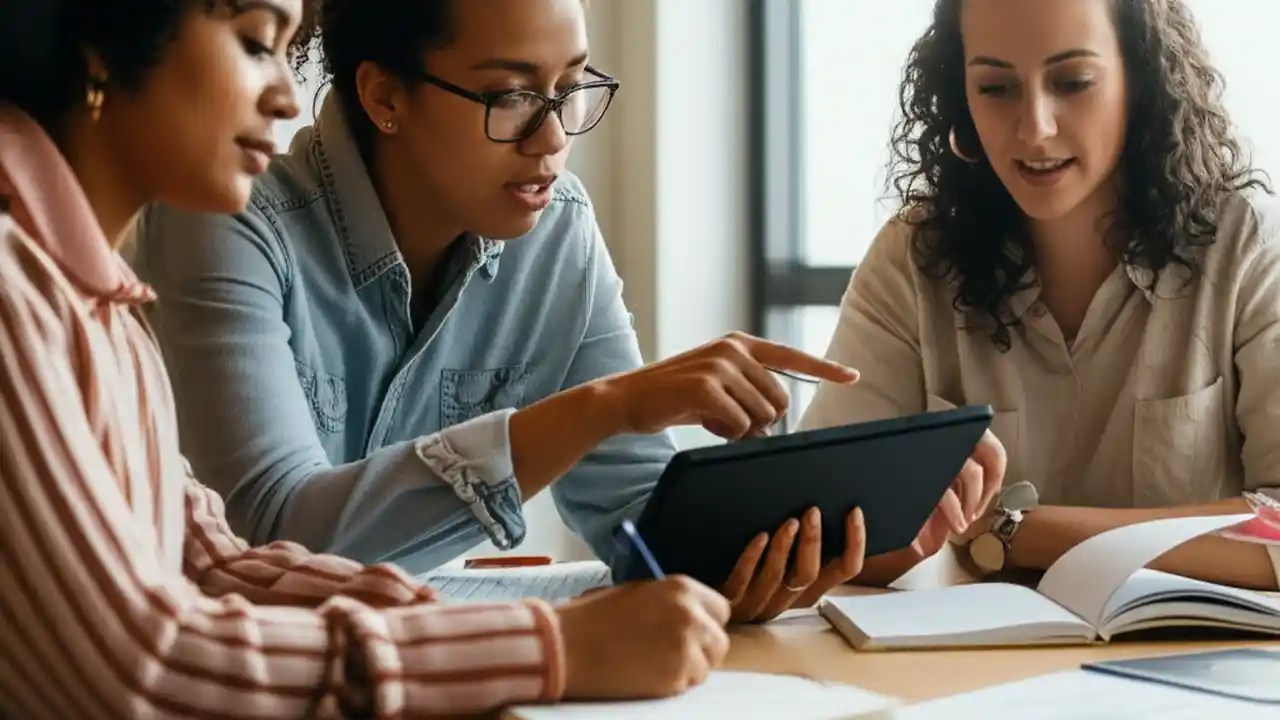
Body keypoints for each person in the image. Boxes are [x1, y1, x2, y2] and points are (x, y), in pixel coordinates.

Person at [0, 1, 798, 715]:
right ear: (104, 42)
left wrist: (758, 557)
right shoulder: (19, 292)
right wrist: (545, 648)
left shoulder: (92, 303)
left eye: (570, 88)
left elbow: (222, 566)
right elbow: (139, 664)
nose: (284, 98)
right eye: (252, 42)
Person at [133, 0, 994, 618]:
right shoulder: (227, 222)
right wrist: (607, 405)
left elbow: (639, 529)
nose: (552, 138)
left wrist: (841, 529)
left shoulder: (556, 233)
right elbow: (268, 543)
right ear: (385, 97)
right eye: (510, 97)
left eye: (572, 90)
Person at [802, 0, 1280, 589]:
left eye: (1073, 82)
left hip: (1191, 670)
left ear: (1143, 78)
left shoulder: (1248, 245)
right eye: (997, 88)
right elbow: (817, 527)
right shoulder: (912, 259)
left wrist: (1021, 533)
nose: (1035, 128)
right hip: (964, 673)